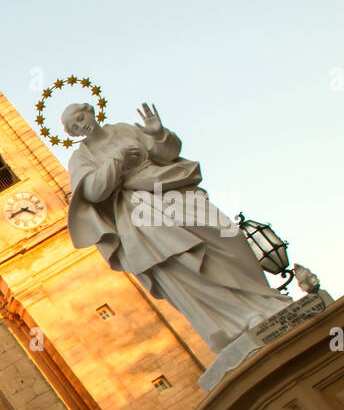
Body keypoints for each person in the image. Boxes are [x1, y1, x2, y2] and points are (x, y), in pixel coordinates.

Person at [62, 102, 290, 351]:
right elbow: (94, 192)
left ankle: (262, 299)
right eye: (75, 125)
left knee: (227, 234)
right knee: (183, 260)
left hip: (169, 190)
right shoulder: (81, 157)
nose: (81, 124)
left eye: (81, 117)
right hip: (139, 211)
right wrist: (117, 160)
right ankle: (238, 321)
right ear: (73, 133)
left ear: (91, 112)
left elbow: (166, 154)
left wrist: (158, 133)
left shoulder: (124, 129)